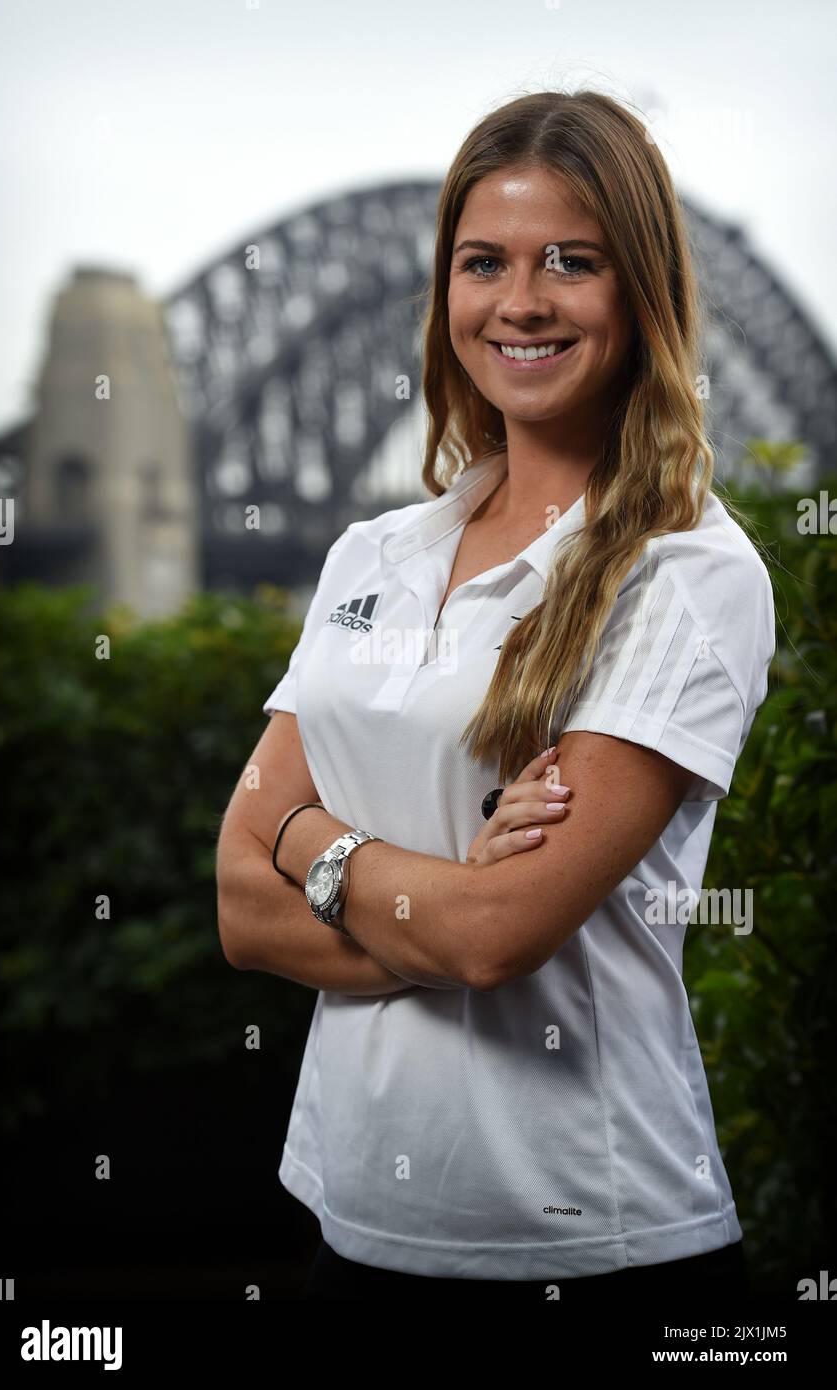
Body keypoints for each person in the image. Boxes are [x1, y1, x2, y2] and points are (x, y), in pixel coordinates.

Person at [215, 89, 773, 1304]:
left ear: (641, 294)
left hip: (593, 1248)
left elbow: (492, 938)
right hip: (346, 1222)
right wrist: (449, 894)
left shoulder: (684, 573)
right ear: (445, 296)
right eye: (484, 264)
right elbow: (238, 906)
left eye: (570, 262)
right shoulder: (373, 556)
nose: (519, 301)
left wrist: (310, 842)